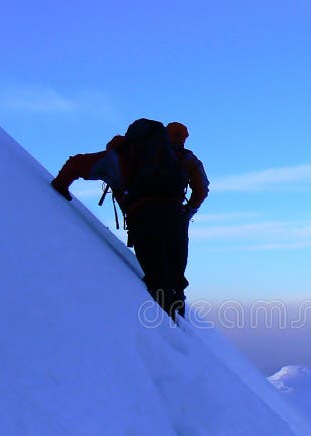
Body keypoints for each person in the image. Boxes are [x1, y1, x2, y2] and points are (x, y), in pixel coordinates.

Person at [51, 120, 209, 321]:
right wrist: (188, 212)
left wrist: (60, 186)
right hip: (176, 218)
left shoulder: (123, 155)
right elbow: (202, 188)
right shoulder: (184, 158)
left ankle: (165, 331)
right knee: (175, 280)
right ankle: (179, 328)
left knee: (157, 280)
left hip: (142, 216)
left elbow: (76, 164)